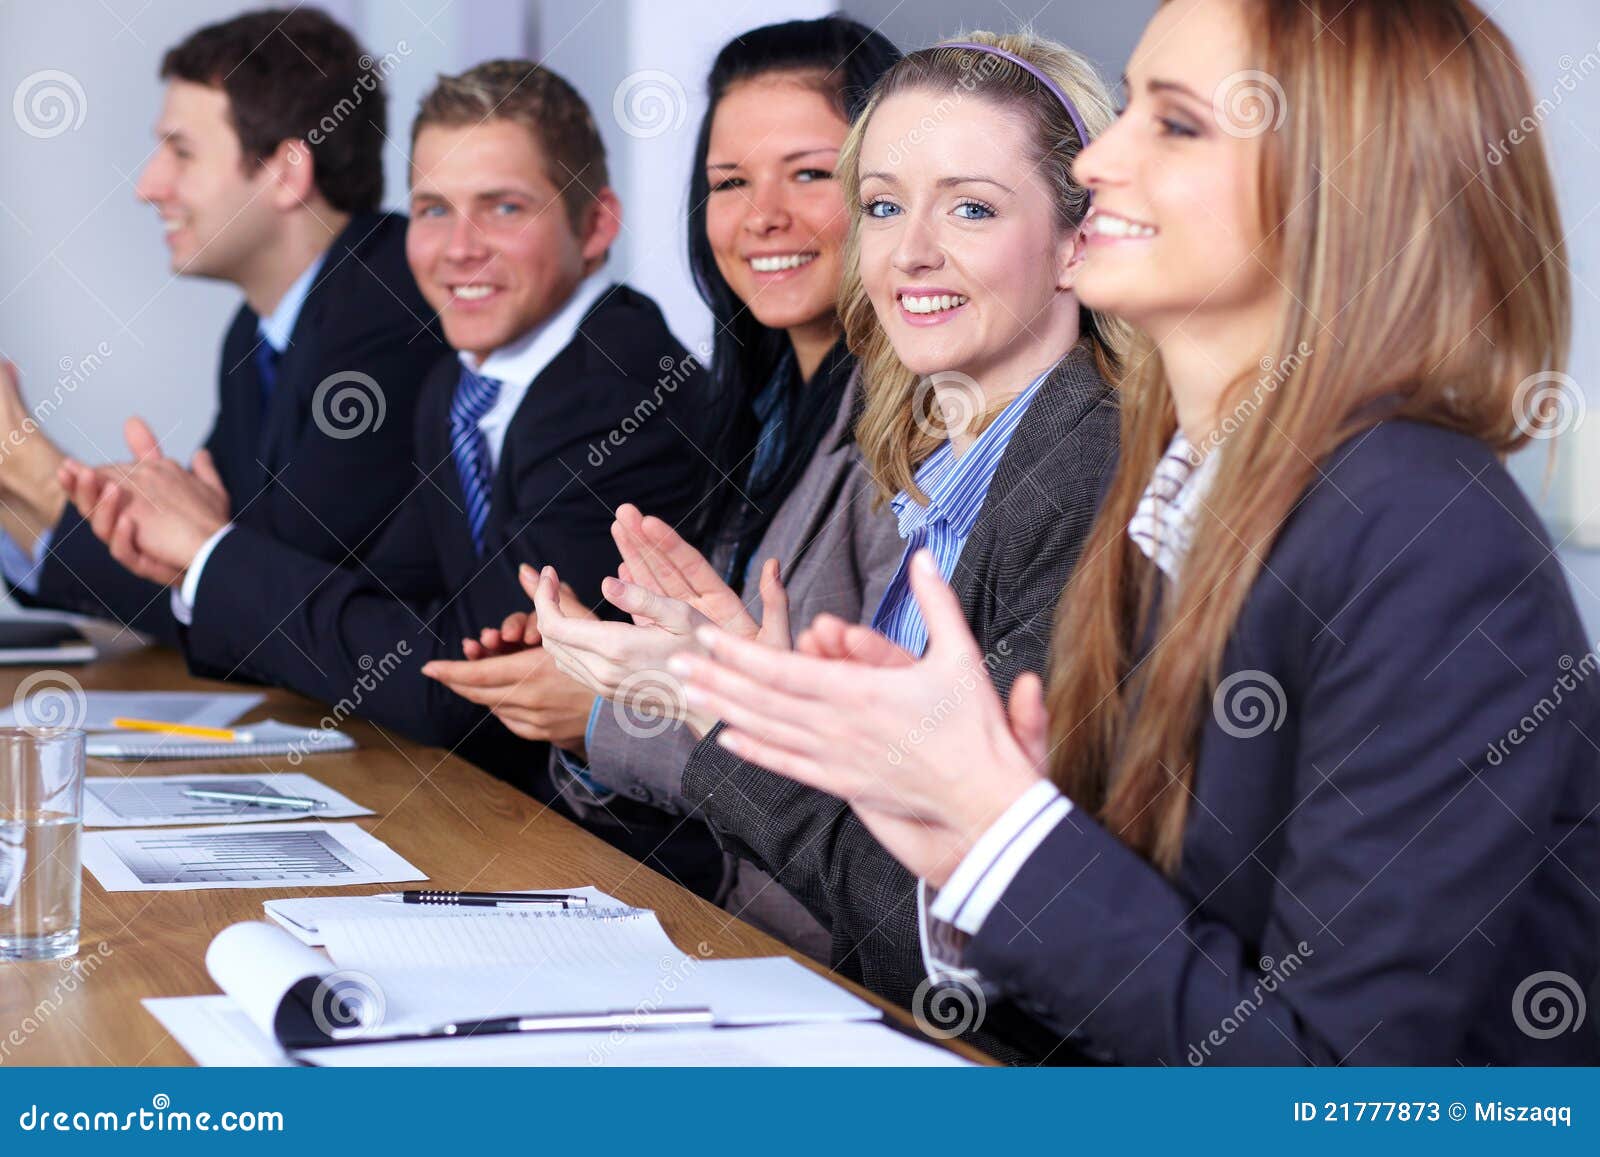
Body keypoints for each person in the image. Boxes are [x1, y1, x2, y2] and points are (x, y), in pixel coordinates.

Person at [673, 0, 1600, 1065]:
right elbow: (1157, 968)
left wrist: (1002, 832)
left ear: (1339, 188)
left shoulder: (1420, 535)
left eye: (1176, 123)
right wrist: (960, 829)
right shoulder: (1178, 491)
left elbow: (1334, 1094)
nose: (1099, 160)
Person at [498, 32, 1127, 1003]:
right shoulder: (949, 467)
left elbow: (939, 923)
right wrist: (759, 691)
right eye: (882, 205)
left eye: (970, 207)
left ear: (1077, 243)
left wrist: (725, 714)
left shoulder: (1088, 475)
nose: (910, 251)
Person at [59, 62, 715, 893]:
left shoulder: (620, 389)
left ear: (596, 226)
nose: (458, 247)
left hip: (644, 871)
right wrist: (203, 558)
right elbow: (384, 601)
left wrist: (212, 552)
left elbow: (451, 687)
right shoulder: (456, 385)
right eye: (433, 209)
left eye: (504, 207)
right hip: (502, 827)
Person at [420, 17, 904, 956]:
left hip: (821, 961)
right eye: (730, 183)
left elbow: (860, 784)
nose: (762, 216)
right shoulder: (753, 408)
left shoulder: (916, 434)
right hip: (706, 918)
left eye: (809, 173)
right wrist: (599, 667)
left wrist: (613, 712)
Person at [0, 7, 444, 646]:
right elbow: (202, 578)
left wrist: (26, 463)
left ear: (286, 172)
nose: (148, 186)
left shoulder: (392, 310)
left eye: (181, 151)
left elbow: (252, 597)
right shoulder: (256, 336)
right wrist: (12, 492)